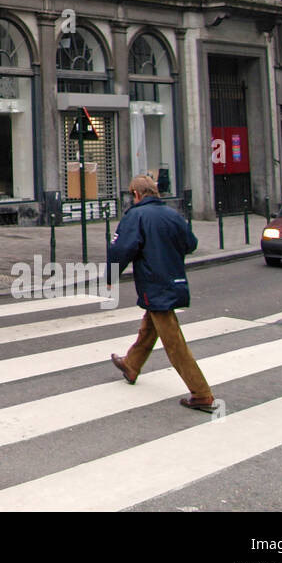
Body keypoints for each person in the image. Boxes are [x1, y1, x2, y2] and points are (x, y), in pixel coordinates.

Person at [108, 174, 217, 411]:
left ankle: (201, 393)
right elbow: (191, 244)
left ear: (136, 194)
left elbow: (121, 249)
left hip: (153, 282)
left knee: (173, 339)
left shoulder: (135, 216)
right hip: (174, 279)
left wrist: (110, 276)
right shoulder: (172, 215)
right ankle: (131, 364)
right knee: (151, 324)